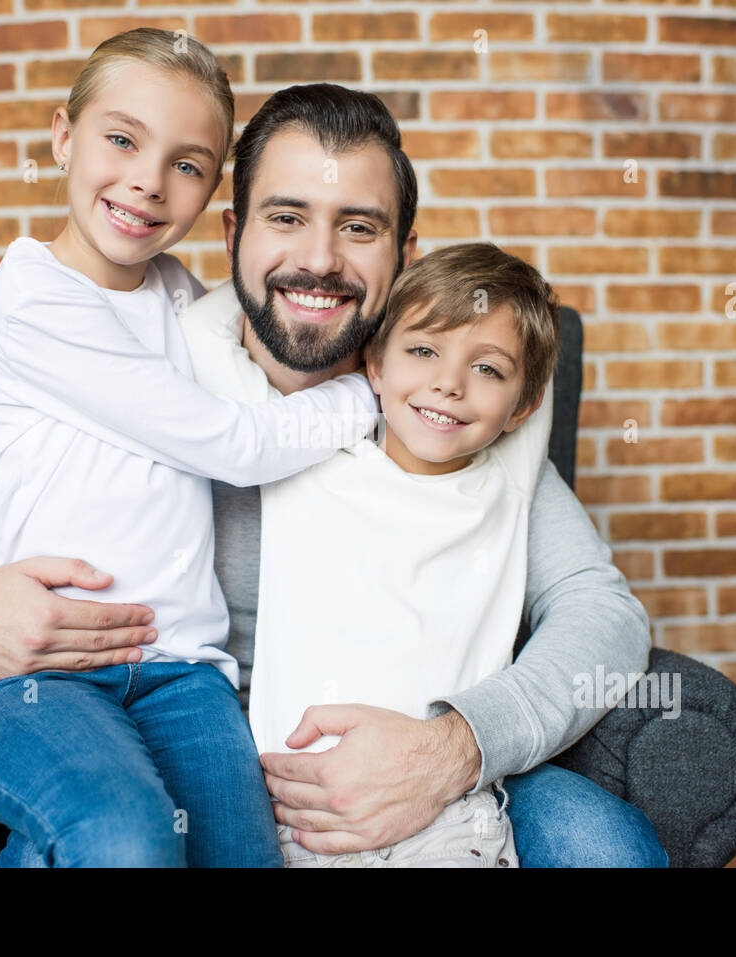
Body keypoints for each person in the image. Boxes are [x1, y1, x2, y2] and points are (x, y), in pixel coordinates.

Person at [0, 83, 669, 868]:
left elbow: (600, 613)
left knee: (603, 846)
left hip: (415, 759)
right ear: (234, 233)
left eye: (359, 227)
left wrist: (454, 746)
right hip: (187, 741)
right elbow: (15, 521)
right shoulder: (165, 366)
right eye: (287, 217)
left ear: (403, 257)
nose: (318, 259)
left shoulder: (440, 415)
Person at [0, 30, 381, 867]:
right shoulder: (28, 300)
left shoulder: (181, 297)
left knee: (241, 856)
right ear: (64, 136)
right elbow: (235, 444)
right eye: (123, 139)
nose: (147, 180)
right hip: (40, 676)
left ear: (213, 194)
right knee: (122, 834)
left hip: (184, 672)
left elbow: (266, 364)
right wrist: (369, 393)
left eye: (188, 164)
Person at [187, 241, 556, 867]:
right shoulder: (304, 454)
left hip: (447, 821)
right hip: (296, 820)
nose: (448, 382)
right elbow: (202, 329)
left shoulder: (512, 478)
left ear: (522, 409)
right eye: (423, 350)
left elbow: (539, 352)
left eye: (487, 369)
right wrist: (351, 291)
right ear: (374, 367)